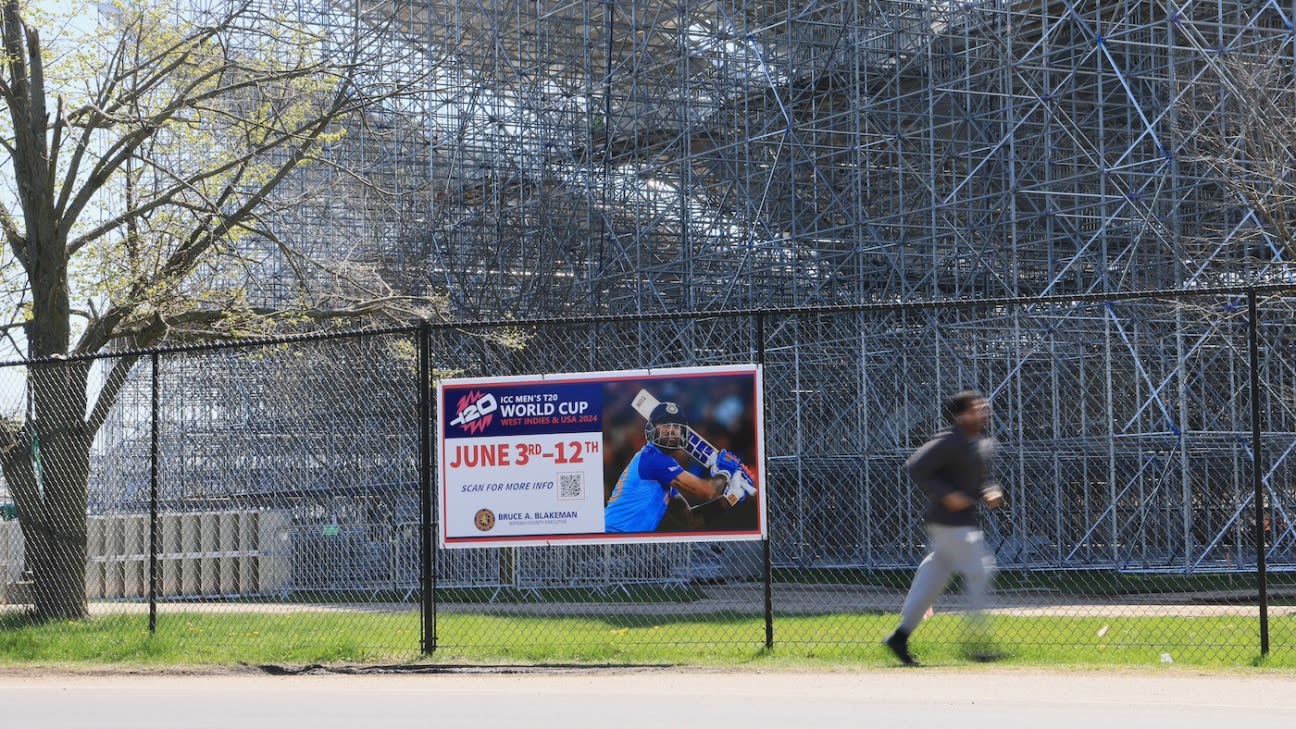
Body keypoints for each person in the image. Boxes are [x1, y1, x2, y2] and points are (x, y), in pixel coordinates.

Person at [884, 389, 1004, 666]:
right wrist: (947, 493)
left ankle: (899, 637)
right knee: (980, 570)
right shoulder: (950, 440)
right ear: (961, 415)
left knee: (932, 582)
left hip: (954, 524)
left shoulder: (979, 444)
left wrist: (989, 490)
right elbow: (916, 466)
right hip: (952, 524)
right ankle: (977, 644)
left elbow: (981, 479)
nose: (984, 411)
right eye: (977, 408)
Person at [605, 401, 753, 533]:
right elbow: (707, 491)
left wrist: (733, 496)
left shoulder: (664, 471)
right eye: (664, 425)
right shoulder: (654, 459)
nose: (671, 430)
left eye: (676, 426)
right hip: (612, 538)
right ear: (652, 428)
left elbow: (691, 520)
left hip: (623, 542)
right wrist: (725, 471)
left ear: (683, 433)